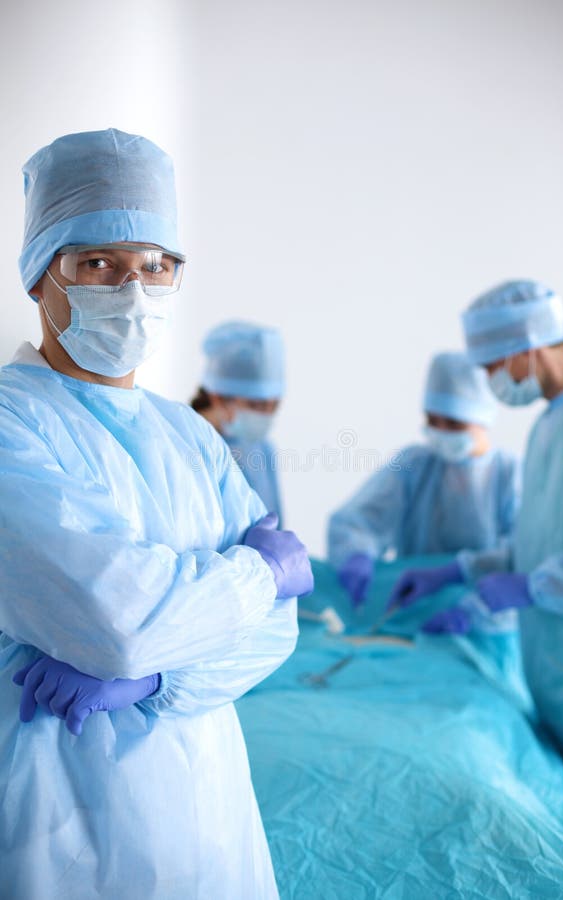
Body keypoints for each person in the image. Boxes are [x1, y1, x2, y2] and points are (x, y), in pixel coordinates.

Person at [0, 128, 313, 899]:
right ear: (40, 276)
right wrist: (257, 571)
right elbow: (119, 621)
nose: (133, 291)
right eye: (98, 264)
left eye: (155, 265)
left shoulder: (190, 435)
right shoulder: (12, 423)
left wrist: (157, 680)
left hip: (209, 809)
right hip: (62, 812)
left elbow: (278, 630)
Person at [397, 279, 563, 849]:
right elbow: (541, 537)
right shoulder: (549, 424)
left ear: (527, 347)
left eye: (491, 366)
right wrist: (461, 570)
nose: (489, 381)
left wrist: (533, 587)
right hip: (556, 678)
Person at [327, 352, 520, 632]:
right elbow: (356, 521)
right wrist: (355, 555)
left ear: (483, 416)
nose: (440, 432)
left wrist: (474, 608)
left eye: (454, 424)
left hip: (485, 626)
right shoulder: (414, 465)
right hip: (411, 614)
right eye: (432, 420)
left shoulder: (510, 475)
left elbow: (522, 556)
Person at [191, 321, 284, 522]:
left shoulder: (261, 448)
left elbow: (275, 525)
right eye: (256, 405)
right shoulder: (186, 445)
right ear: (218, 397)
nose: (266, 415)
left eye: (274, 405)